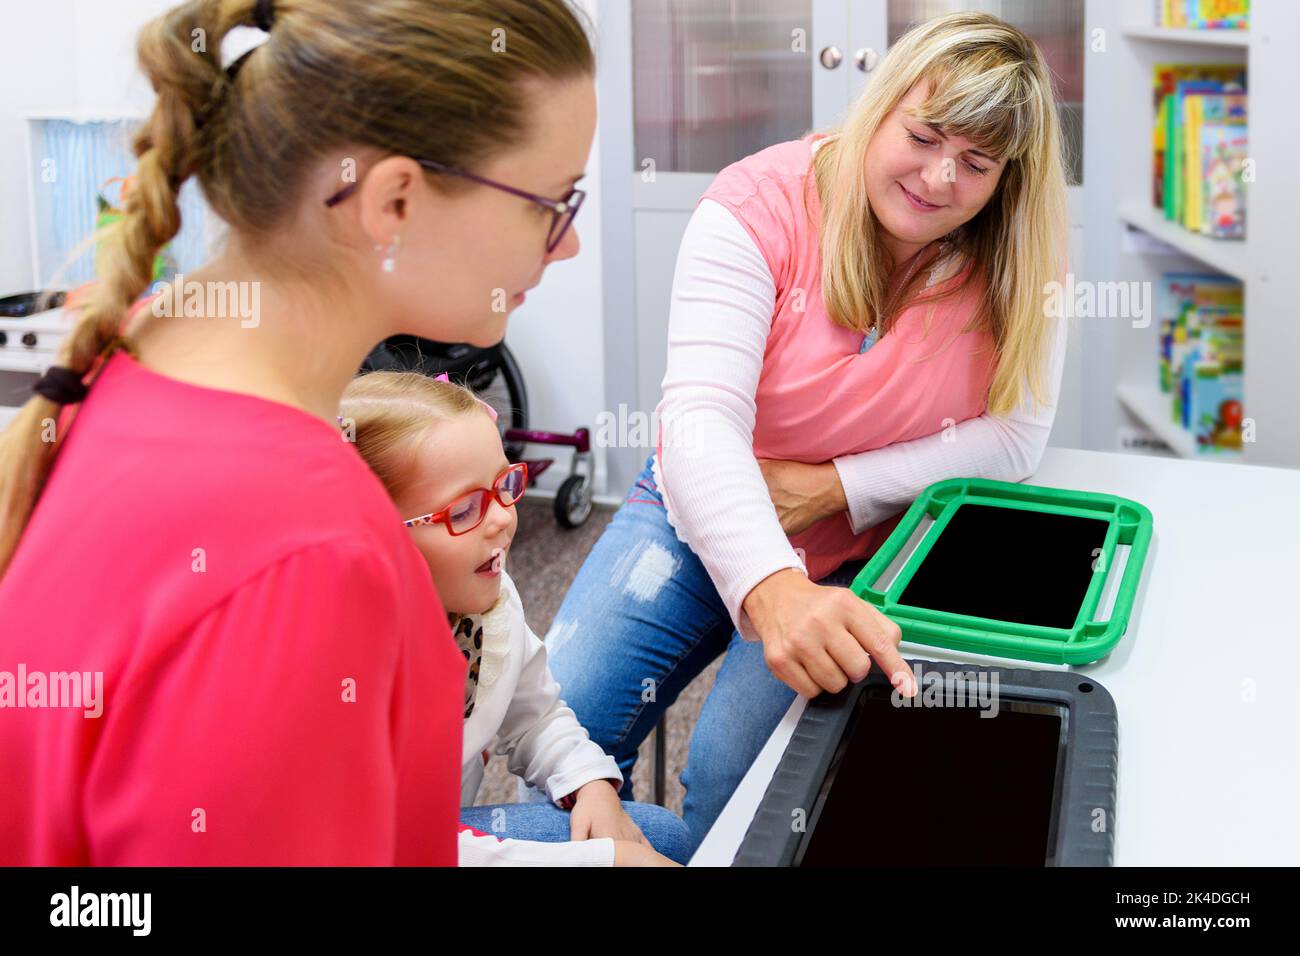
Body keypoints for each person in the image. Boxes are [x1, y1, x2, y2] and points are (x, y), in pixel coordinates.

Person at [0, 0, 597, 865]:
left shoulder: (139, 352)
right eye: (552, 202)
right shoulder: (308, 557)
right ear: (393, 200)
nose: (570, 243)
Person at [538, 11, 1072, 853]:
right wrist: (770, 586)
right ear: (882, 104)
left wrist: (832, 489)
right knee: (561, 734)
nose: (938, 178)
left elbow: (1014, 440)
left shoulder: (1024, 259)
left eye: (976, 163)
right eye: (924, 135)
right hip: (697, 503)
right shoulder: (758, 203)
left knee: (740, 785)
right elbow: (700, 420)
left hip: (873, 547)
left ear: (1009, 177)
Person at [340, 372, 689, 866]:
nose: (504, 518)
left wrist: (588, 781)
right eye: (464, 510)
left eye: (504, 485)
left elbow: (534, 715)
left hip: (435, 827)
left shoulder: (487, 602)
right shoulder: (342, 677)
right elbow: (396, 846)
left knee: (661, 837)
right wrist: (601, 862)